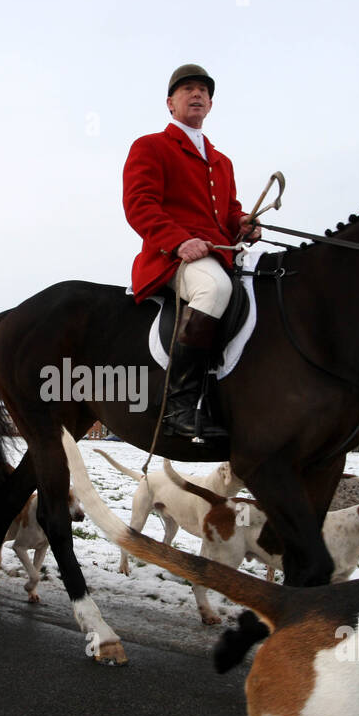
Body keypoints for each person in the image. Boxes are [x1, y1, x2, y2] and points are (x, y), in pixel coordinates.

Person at [123, 63, 259, 441]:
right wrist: (180, 241)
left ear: (211, 104)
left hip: (219, 254)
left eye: (202, 91)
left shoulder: (221, 161)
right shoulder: (151, 146)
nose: (196, 95)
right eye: (187, 90)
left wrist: (245, 223)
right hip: (171, 258)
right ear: (171, 103)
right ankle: (178, 405)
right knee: (214, 289)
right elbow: (140, 205)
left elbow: (228, 212)